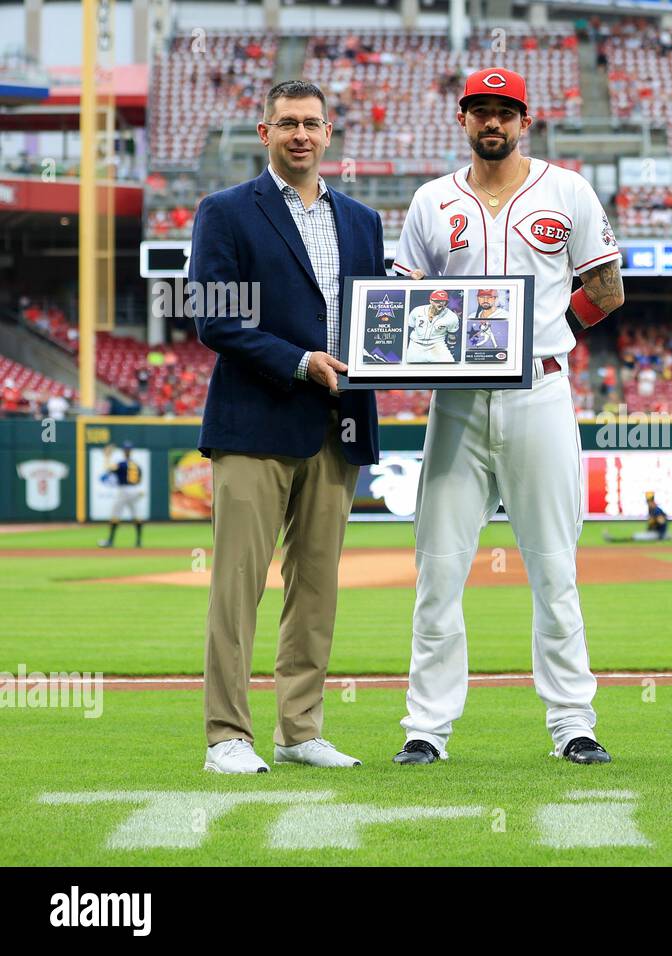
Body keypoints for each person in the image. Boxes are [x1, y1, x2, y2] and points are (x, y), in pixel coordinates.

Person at [391, 68, 624, 766]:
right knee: (438, 570)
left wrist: (547, 333)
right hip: (457, 400)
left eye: (505, 112)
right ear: (463, 120)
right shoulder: (432, 201)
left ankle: (573, 725)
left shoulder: (568, 190)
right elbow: (401, 305)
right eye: (480, 111)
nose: (493, 122)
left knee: (555, 568)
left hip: (540, 391)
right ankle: (426, 730)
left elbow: (606, 288)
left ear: (526, 120)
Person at [190, 79, 384, 774]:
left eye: (311, 123)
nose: (300, 134)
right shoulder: (224, 212)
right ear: (263, 134)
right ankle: (226, 737)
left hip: (338, 428)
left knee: (317, 587)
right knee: (237, 586)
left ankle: (299, 731)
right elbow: (216, 321)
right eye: (286, 123)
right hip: (254, 423)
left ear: (330, 133)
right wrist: (300, 362)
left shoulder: (362, 221)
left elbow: (375, 322)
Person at [97, 442, 145, 548]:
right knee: (137, 516)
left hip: (124, 490)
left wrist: (107, 456)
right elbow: (139, 479)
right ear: (131, 452)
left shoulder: (122, 464)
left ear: (124, 452)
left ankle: (110, 541)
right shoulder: (136, 465)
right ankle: (139, 541)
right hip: (136, 490)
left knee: (115, 515)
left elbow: (108, 468)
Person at [407, 289, 460, 363]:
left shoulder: (451, 317)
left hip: (437, 345)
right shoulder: (417, 311)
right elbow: (409, 328)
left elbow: (452, 336)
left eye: (443, 301)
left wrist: (451, 351)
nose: (441, 303)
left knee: (450, 366)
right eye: (437, 301)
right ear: (431, 301)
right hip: (416, 345)